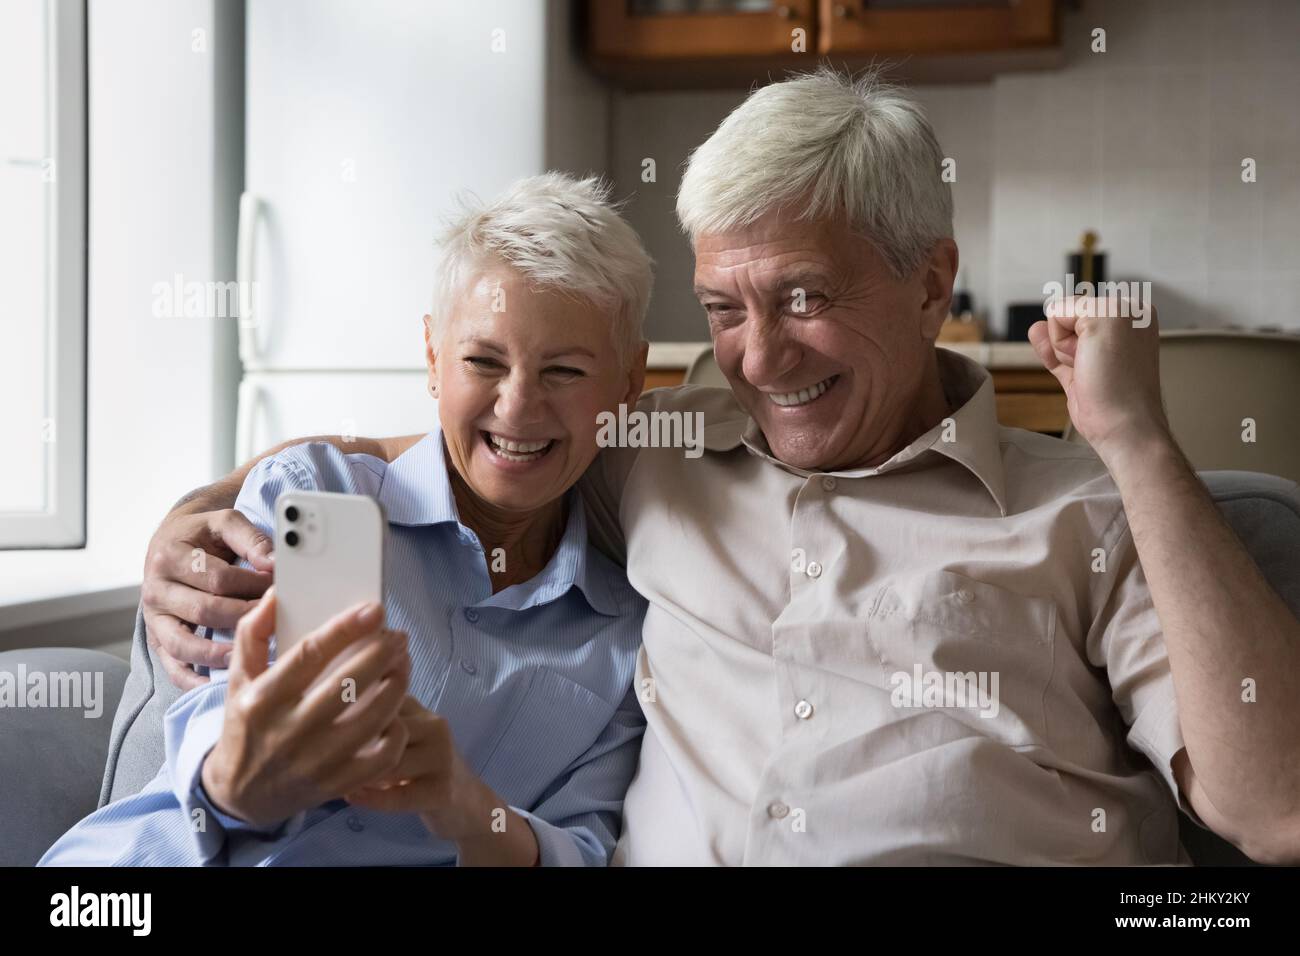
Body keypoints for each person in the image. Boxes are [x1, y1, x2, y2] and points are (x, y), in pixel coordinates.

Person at [135, 70, 1300, 865]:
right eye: (722, 309)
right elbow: (482, 432)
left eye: (804, 296)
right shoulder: (662, 445)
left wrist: (1141, 441)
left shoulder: (1085, 514)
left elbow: (1273, 808)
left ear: (931, 280)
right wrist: (195, 522)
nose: (759, 354)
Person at [41, 173, 653, 866]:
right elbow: (214, 710)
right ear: (432, 357)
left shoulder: (624, 637)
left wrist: (466, 804)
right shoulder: (314, 493)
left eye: (565, 372)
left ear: (629, 383)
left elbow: (581, 851)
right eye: (483, 360)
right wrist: (238, 780)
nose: (516, 409)